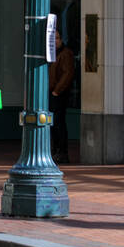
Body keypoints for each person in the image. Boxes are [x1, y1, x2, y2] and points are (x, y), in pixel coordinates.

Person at [49, 32, 76, 163]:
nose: (55, 41)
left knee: (58, 123)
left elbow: (68, 74)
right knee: (53, 124)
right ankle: (55, 150)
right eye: (53, 39)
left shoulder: (66, 53)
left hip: (58, 94)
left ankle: (61, 152)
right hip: (51, 92)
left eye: (58, 38)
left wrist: (57, 91)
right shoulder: (51, 54)